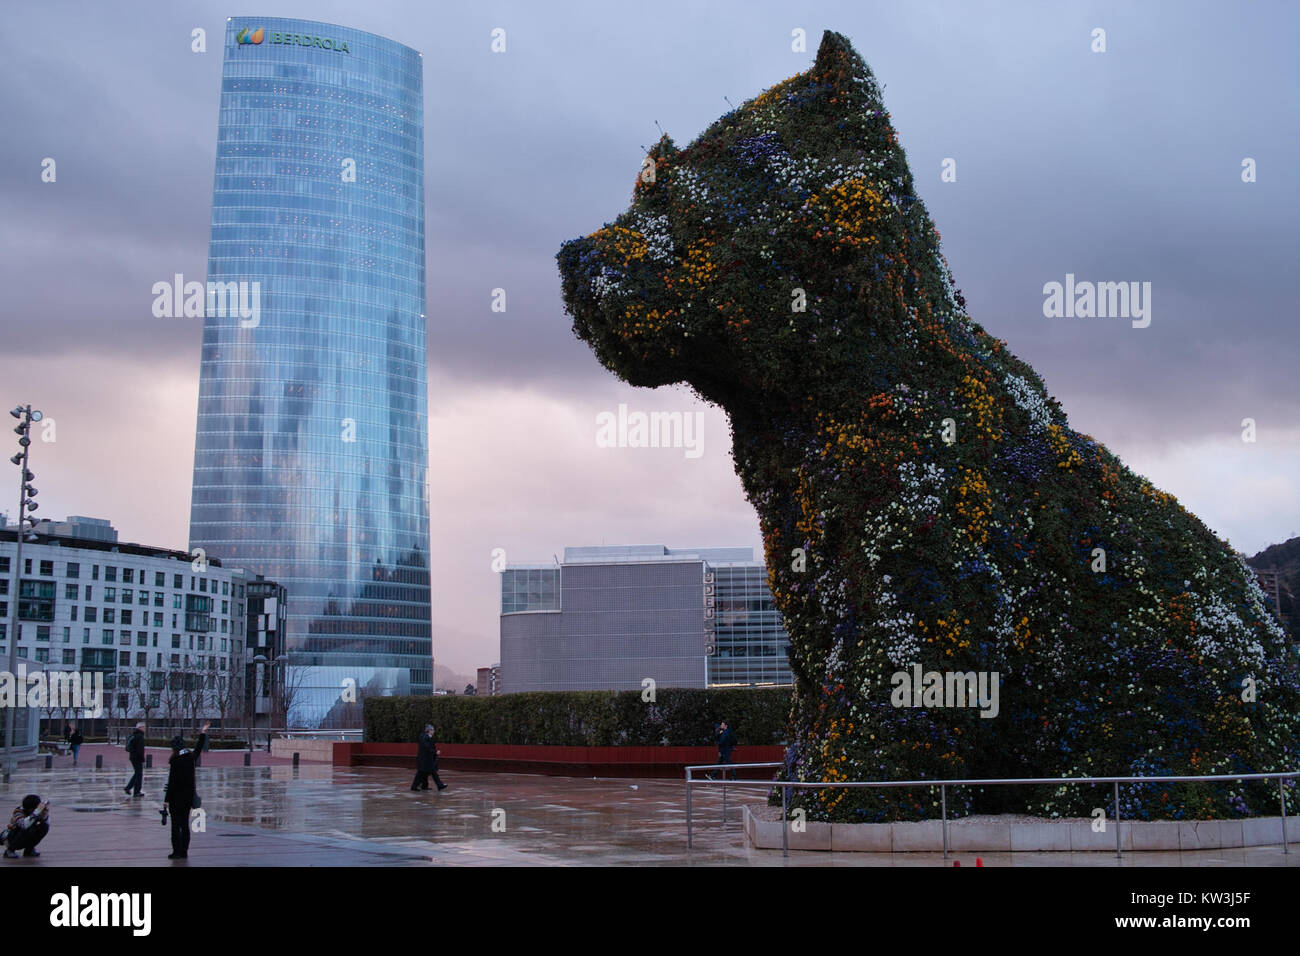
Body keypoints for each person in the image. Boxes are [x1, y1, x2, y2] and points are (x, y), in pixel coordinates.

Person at [163, 722, 209, 859]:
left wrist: (166, 800)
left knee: (175, 826)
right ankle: (184, 851)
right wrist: (203, 733)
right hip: (187, 798)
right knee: (185, 825)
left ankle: (176, 851)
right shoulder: (190, 758)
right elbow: (198, 748)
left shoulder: (175, 761)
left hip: (175, 799)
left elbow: (171, 783)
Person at [2, 795, 50, 859]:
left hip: (23, 836)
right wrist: (36, 812)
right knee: (27, 829)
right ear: (31, 808)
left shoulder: (36, 812)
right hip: (10, 838)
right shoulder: (18, 811)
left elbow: (47, 823)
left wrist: (45, 815)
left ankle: (29, 850)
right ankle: (9, 850)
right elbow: (24, 825)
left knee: (44, 826)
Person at [410, 723, 447, 792]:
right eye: (432, 730)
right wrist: (435, 752)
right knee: (429, 772)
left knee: (424, 773)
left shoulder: (426, 736)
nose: (434, 731)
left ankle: (423, 786)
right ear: (429, 731)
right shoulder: (425, 737)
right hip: (425, 759)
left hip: (425, 759)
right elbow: (427, 747)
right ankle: (439, 785)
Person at [123, 723, 146, 796]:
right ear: (140, 728)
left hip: (133, 757)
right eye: (144, 727)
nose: (145, 728)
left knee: (137, 773)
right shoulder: (139, 736)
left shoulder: (133, 735)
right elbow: (140, 750)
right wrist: (142, 758)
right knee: (138, 774)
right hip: (137, 758)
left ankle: (135, 791)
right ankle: (131, 789)